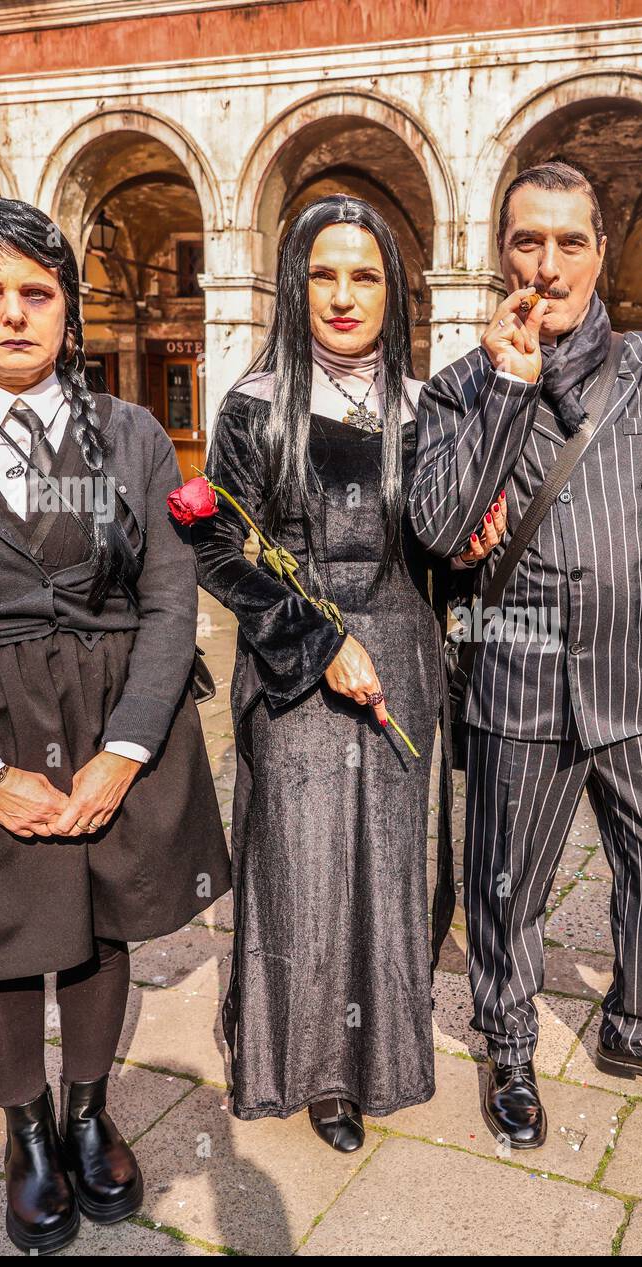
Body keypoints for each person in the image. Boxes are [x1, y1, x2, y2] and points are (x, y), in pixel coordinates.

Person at [0, 197, 230, 1252]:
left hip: (112, 716)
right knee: (9, 936)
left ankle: (89, 1107)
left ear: (68, 306)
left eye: (38, 292)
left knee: (100, 925)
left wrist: (125, 750)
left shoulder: (132, 434)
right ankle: (27, 1130)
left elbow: (169, 602)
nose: (15, 314)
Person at [410, 161, 642, 1153]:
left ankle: (640, 1025)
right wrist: (509, 387)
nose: (546, 265)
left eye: (568, 242)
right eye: (526, 241)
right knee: (507, 881)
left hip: (637, 678)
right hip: (515, 679)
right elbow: (436, 524)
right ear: (499, 253)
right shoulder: (459, 386)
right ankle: (508, 1039)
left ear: (601, 254)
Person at [186, 195, 504, 1153]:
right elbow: (220, 552)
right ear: (294, 284)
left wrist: (470, 555)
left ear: (394, 290)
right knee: (305, 862)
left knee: (388, 866)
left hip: (402, 662)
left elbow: (439, 548)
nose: (342, 294)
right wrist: (318, 644)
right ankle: (315, 1068)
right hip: (296, 673)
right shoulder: (253, 405)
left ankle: (380, 1059)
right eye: (323, 273)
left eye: (364, 275)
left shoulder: (424, 407)